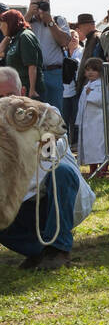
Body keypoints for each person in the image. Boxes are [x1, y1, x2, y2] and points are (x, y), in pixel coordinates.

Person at [0, 66, 80, 270]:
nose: (6, 101)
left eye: (10, 95)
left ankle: (58, 249)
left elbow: (57, 148)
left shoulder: (45, 112)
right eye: (0, 96)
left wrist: (44, 142)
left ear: (23, 93)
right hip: (16, 204)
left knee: (63, 172)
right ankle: (39, 251)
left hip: (50, 198)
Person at [25, 0, 71, 106]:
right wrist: (29, 15)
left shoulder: (58, 20)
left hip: (54, 72)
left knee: (55, 113)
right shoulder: (26, 21)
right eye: (41, 2)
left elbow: (65, 42)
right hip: (31, 75)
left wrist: (50, 22)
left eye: (47, 2)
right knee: (34, 113)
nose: (45, 5)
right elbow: (14, 35)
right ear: (32, 3)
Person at [1, 8, 43, 100]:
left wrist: (32, 90)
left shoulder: (25, 36)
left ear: (10, 23)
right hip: (20, 88)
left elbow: (32, 65)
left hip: (27, 90)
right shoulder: (15, 38)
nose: (0, 27)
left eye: (2, 24)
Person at [76, 57, 107, 172]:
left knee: (99, 147)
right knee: (90, 147)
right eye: (88, 70)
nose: (90, 72)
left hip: (98, 122)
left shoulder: (101, 85)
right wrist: (79, 119)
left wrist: (91, 95)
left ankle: (102, 170)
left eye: (94, 70)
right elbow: (81, 104)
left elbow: (103, 100)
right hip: (87, 123)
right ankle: (92, 170)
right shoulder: (87, 86)